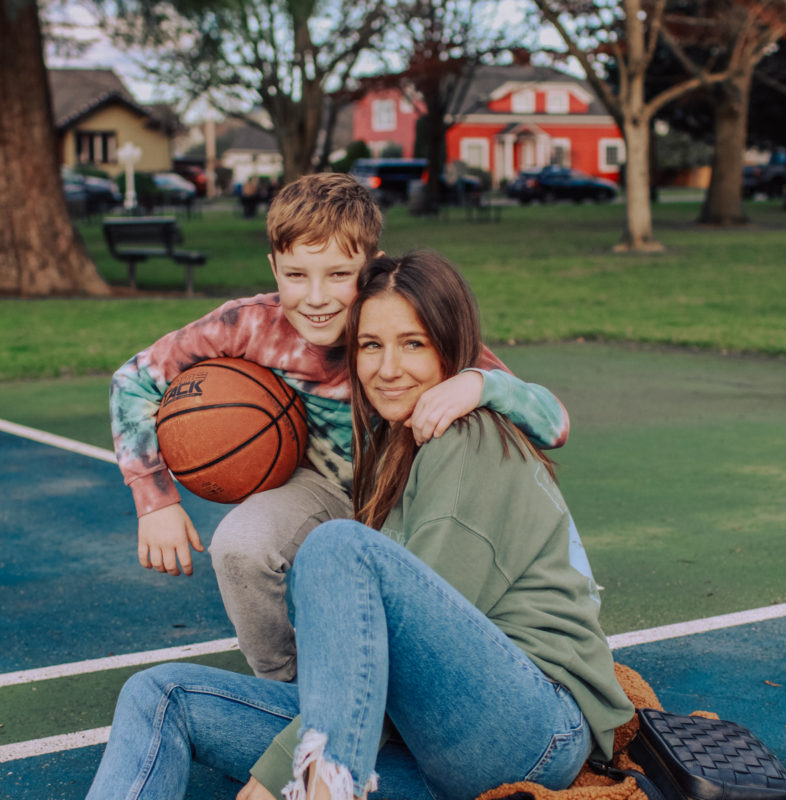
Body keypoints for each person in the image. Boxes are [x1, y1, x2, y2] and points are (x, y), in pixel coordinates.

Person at [88, 252, 632, 800]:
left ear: (452, 347)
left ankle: (321, 785)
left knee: (339, 546)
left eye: (413, 343)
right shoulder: (397, 444)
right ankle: (326, 770)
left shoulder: (468, 442)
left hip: (530, 731)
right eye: (371, 345)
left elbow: (396, 651)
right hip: (433, 739)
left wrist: (283, 770)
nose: (388, 368)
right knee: (159, 694)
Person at [110, 173, 571, 681]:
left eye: (337, 274)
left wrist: (480, 384)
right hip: (320, 487)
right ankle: (284, 685)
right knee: (239, 546)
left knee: (421, 613)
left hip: (411, 500)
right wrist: (155, 501)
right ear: (273, 268)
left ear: (371, 267)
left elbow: (553, 422)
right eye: (296, 275)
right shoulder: (248, 326)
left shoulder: (402, 324)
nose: (315, 297)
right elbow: (134, 380)